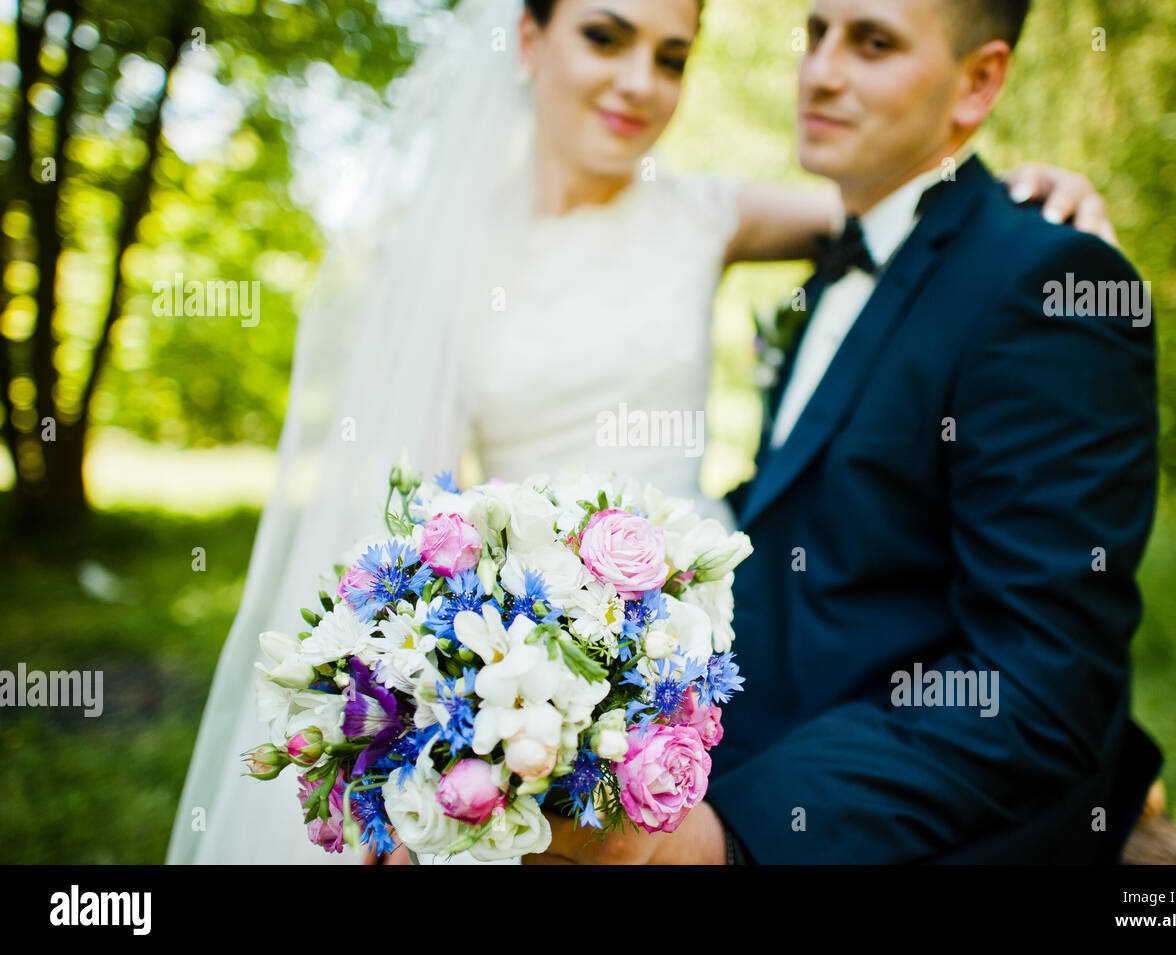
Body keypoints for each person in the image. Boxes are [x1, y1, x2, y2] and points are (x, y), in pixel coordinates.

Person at [167, 0, 1119, 864]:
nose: (640, 83)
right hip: (524, 639)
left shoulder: (707, 210)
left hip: (712, 646)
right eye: (605, 37)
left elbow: (909, 215)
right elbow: (413, 513)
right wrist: (416, 734)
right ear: (531, 38)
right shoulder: (437, 253)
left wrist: (1037, 190)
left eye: (672, 57)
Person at [525, 0, 1161, 864]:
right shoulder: (842, 262)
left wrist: (731, 834)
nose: (819, 68)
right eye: (817, 31)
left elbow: (1040, 686)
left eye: (873, 43)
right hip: (719, 745)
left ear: (978, 83)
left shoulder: (1048, 283)